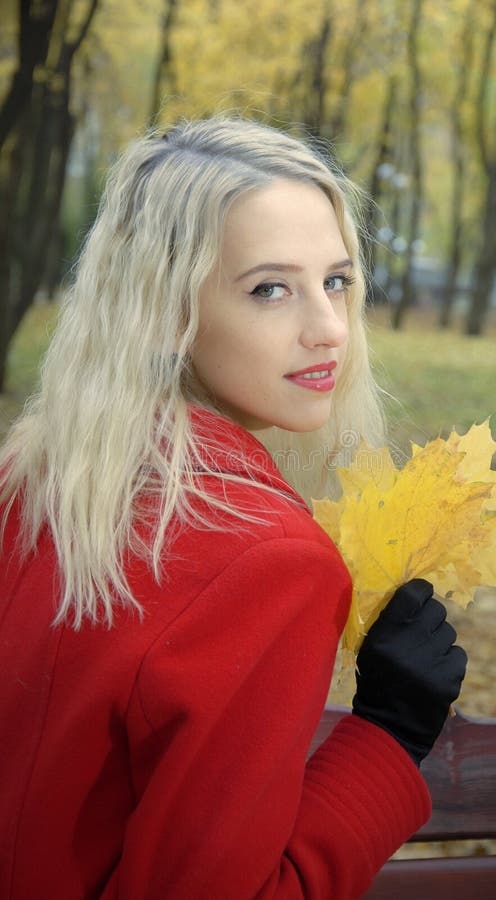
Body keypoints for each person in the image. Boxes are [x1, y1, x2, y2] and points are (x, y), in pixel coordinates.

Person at [0, 116, 466, 899]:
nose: (328, 329)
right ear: (165, 311)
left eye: (338, 280)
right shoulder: (266, 561)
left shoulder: (34, 479)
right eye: (270, 289)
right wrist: (391, 731)